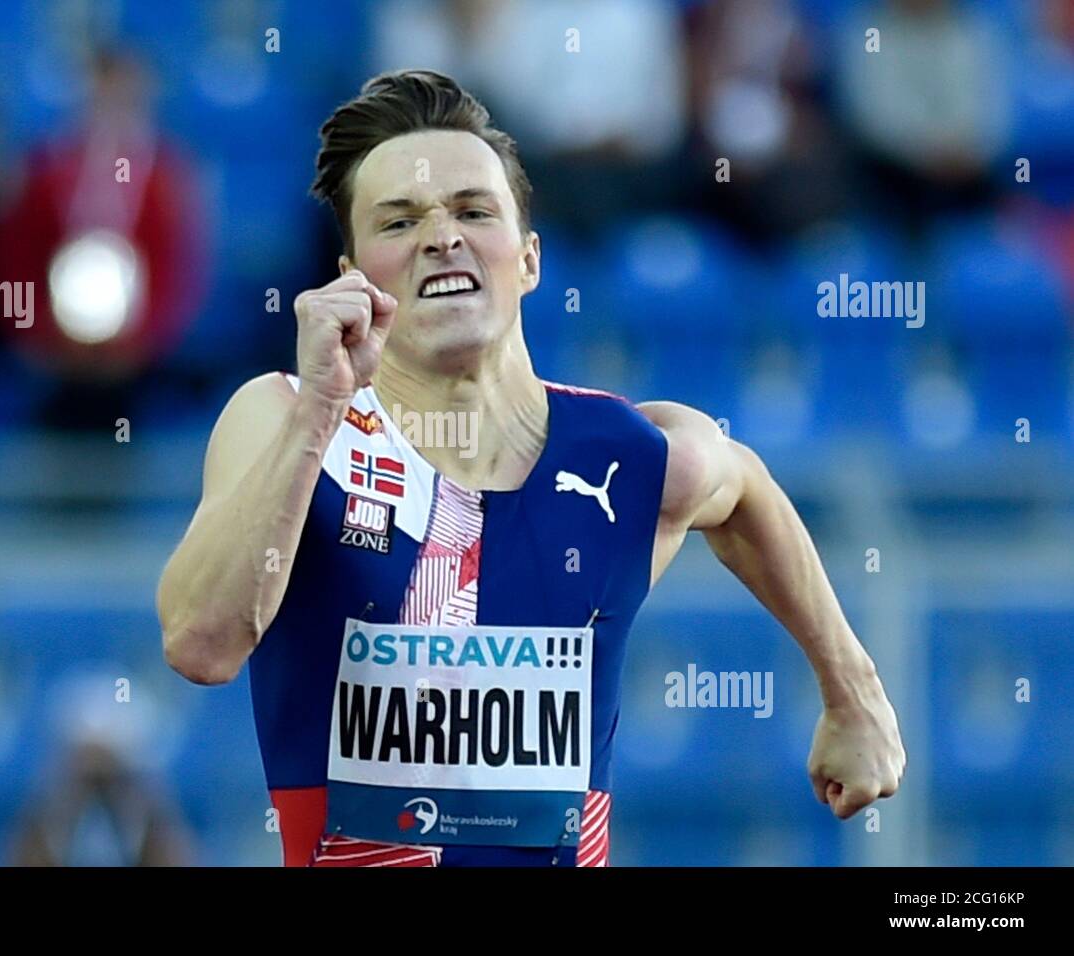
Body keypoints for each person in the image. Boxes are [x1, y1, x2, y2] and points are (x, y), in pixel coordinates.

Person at [157, 69, 906, 867]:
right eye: (400, 221)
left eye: (474, 212)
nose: (442, 236)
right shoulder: (287, 418)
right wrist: (320, 415)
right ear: (352, 276)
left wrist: (852, 691)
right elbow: (202, 644)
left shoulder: (621, 457)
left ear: (529, 259)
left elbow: (745, 485)